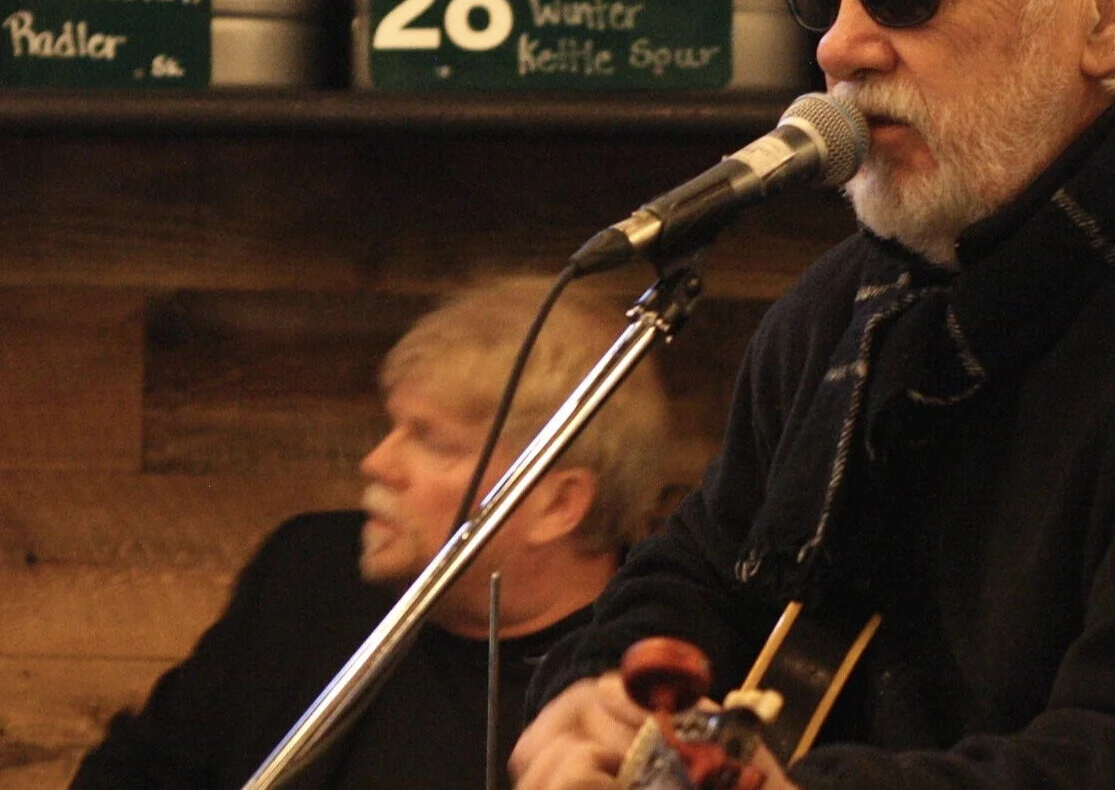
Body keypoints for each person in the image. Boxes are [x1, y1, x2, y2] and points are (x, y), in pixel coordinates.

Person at [510, 0, 1115, 789]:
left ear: (1107, 4)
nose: (837, 47)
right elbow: (699, 568)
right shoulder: (851, 308)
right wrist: (603, 691)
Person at [69, 275, 687, 790]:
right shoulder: (309, 573)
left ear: (559, 504)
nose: (377, 463)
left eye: (430, 441)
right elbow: (132, 775)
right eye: (394, 426)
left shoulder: (641, 690)